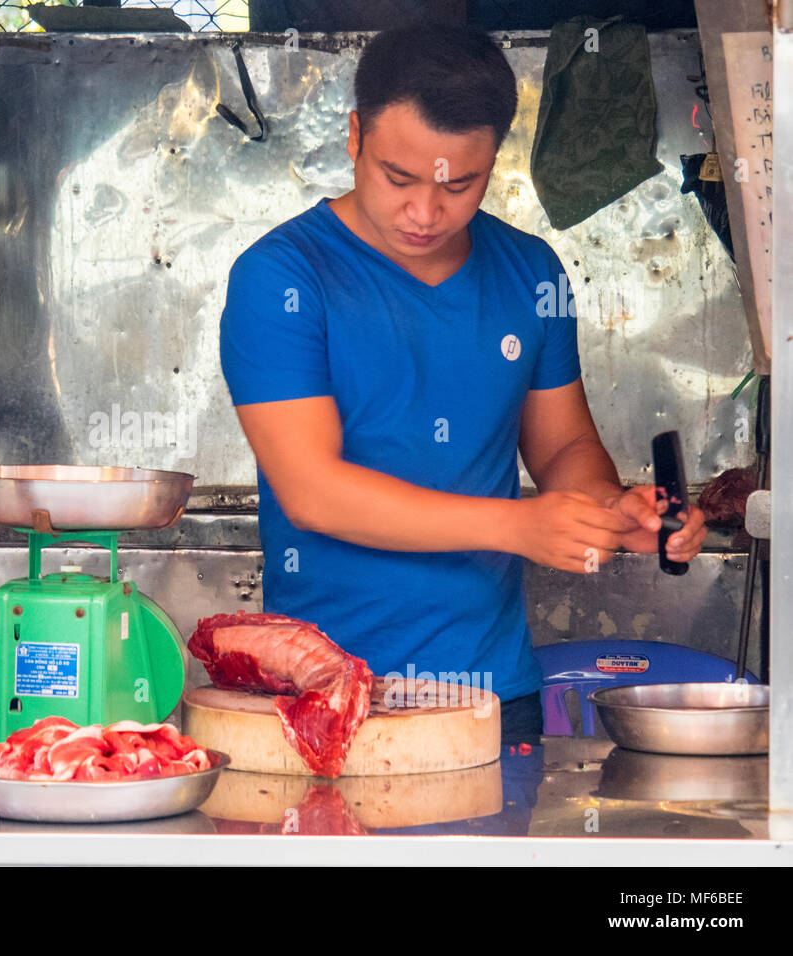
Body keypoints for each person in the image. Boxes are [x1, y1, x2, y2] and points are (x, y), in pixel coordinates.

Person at [219, 24, 706, 739]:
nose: (425, 212)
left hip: (490, 695)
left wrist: (609, 510)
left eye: (459, 184)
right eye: (398, 177)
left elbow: (564, 447)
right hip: (326, 699)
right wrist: (520, 525)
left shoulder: (530, 273)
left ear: (492, 161)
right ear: (355, 136)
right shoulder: (283, 278)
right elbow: (313, 491)